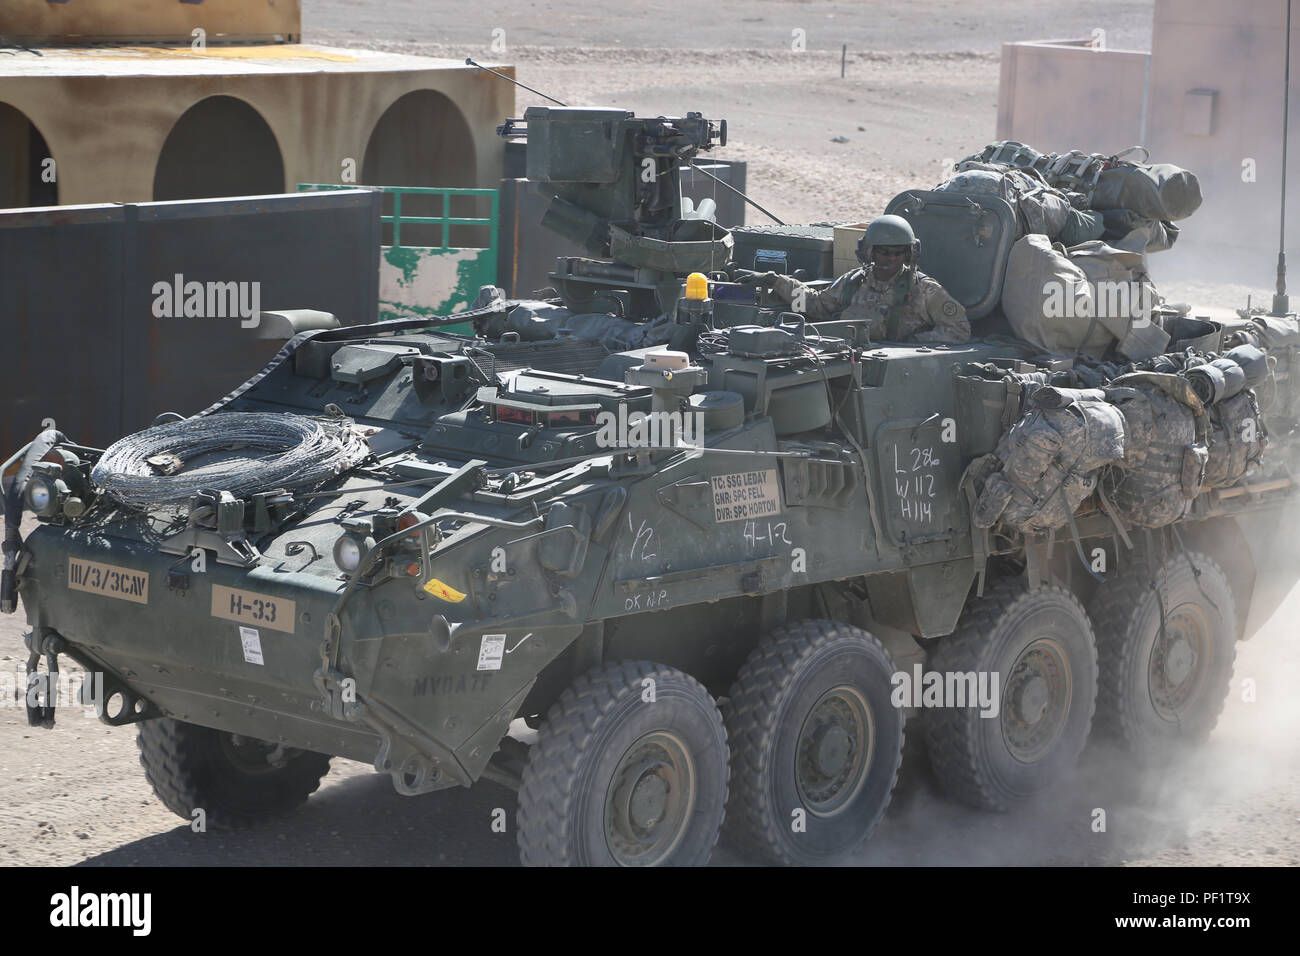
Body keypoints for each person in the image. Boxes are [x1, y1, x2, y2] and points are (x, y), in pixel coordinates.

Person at [756, 215, 970, 344]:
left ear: (909, 254)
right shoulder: (853, 282)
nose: (892, 258)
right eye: (884, 251)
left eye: (899, 252)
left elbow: (958, 330)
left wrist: (911, 344)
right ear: (870, 252)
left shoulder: (923, 290)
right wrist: (776, 282)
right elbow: (816, 306)